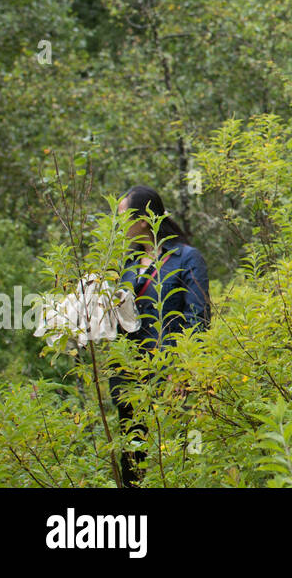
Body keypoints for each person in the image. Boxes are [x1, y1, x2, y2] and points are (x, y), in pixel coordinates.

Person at [110, 185, 211, 486]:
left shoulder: (186, 259)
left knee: (181, 459)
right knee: (134, 465)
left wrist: (183, 370)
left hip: (170, 379)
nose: (118, 226)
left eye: (123, 218)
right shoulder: (126, 267)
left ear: (143, 219)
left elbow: (198, 320)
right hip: (129, 380)